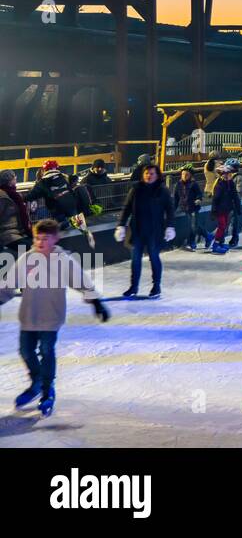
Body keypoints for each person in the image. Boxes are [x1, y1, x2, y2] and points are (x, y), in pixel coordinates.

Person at [0, 218, 110, 417]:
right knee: (26, 351)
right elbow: (8, 284)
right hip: (29, 316)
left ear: (55, 239)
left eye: (45, 238)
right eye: (37, 238)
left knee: (46, 350)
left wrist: (96, 301)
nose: (40, 242)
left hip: (51, 317)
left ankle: (47, 388)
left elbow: (81, 281)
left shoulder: (63, 260)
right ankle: (36, 382)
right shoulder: (27, 259)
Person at [114, 163, 176, 298]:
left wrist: (170, 226)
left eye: (152, 173)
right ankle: (133, 286)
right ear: (143, 175)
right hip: (137, 230)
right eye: (147, 173)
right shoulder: (136, 189)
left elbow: (170, 210)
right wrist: (121, 225)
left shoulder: (162, 190)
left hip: (154, 231)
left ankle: (156, 286)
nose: (149, 176)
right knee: (135, 259)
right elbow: (127, 208)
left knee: (154, 257)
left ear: (157, 175)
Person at [208, 163, 241, 254]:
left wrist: (238, 208)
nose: (229, 176)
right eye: (227, 174)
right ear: (223, 175)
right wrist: (213, 212)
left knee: (224, 226)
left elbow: (235, 196)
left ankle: (219, 243)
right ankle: (216, 245)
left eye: (230, 174)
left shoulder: (230, 184)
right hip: (219, 210)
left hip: (227, 209)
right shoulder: (219, 185)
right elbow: (215, 200)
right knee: (222, 226)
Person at [172, 166, 205, 251]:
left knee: (193, 226)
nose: (184, 176)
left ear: (190, 175)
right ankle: (208, 236)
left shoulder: (193, 184)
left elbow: (199, 194)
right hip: (185, 208)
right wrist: (173, 210)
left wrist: (198, 199)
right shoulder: (178, 185)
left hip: (194, 207)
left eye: (186, 174)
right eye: (183, 174)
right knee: (194, 225)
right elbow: (176, 198)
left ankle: (192, 242)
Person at [0, 170, 31, 255]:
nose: (16, 180)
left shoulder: (12, 194)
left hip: (14, 233)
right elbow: (23, 216)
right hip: (8, 235)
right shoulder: (5, 196)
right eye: (15, 178)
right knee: (29, 249)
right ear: (10, 181)